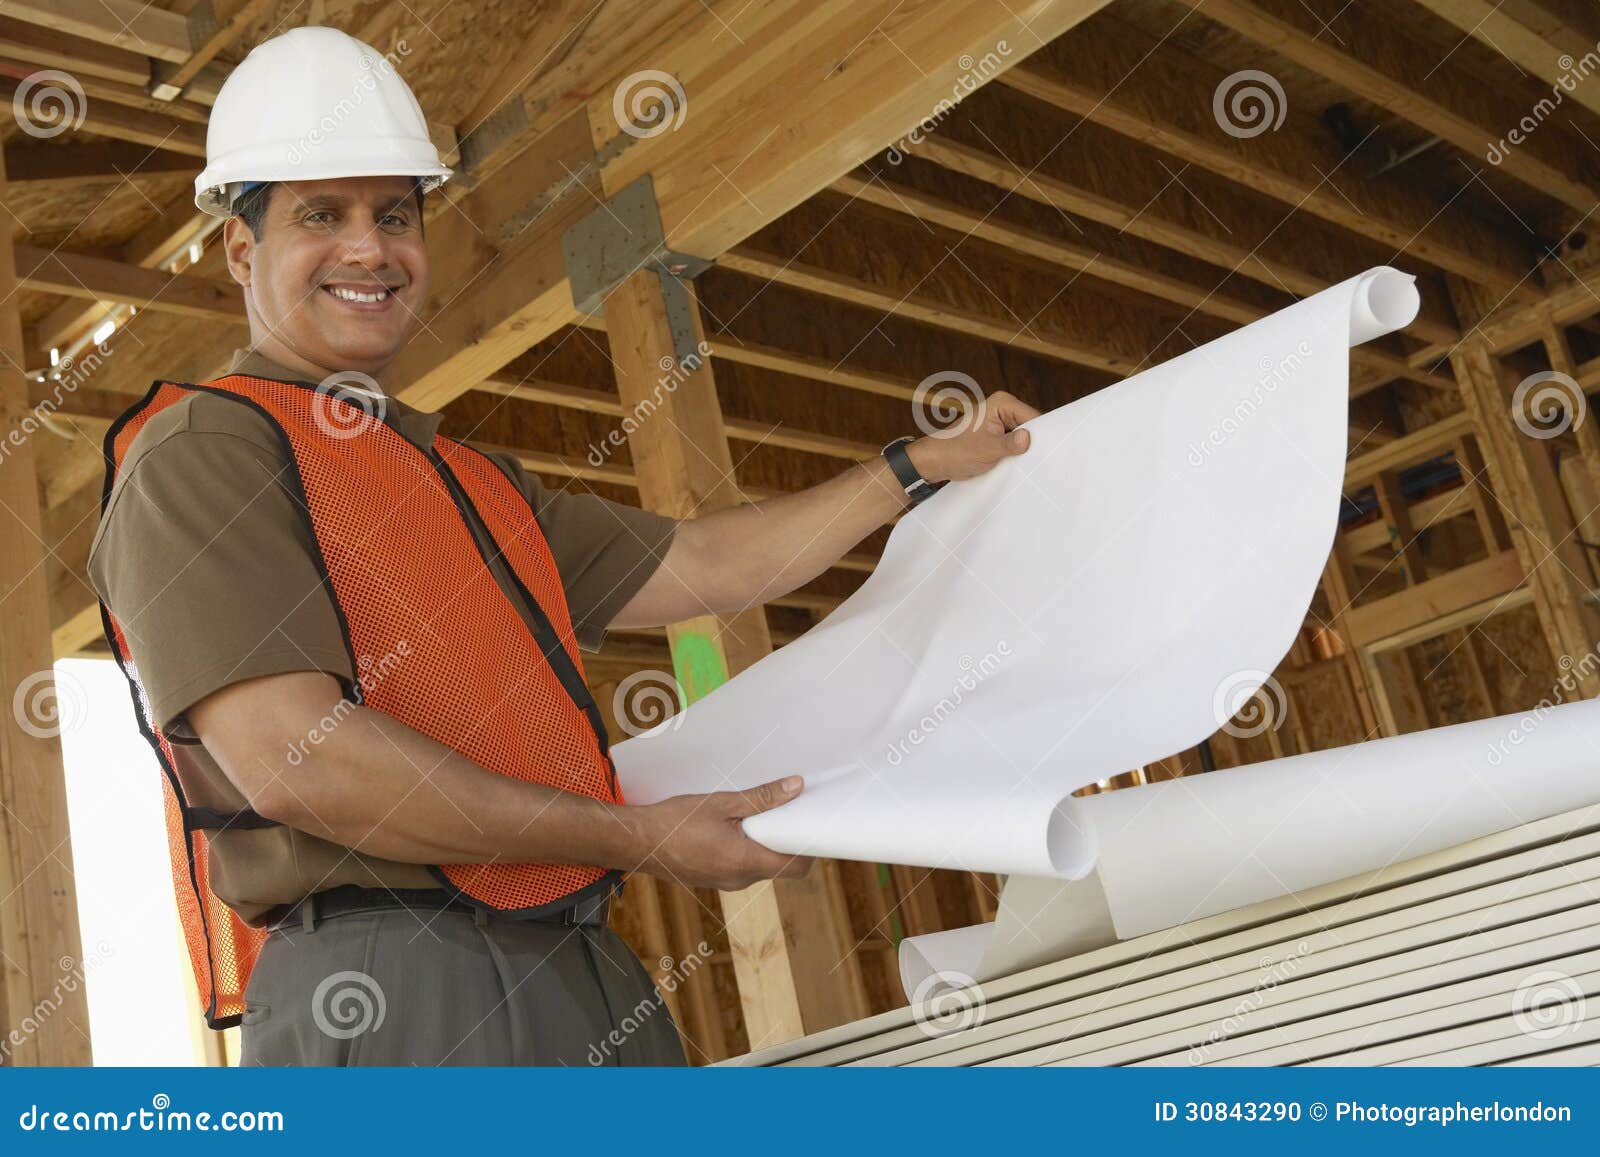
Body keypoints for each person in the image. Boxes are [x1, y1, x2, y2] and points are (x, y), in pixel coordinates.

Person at [89, 25, 1040, 1066]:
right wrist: (641, 836)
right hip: (397, 982)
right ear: (241, 249)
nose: (370, 248)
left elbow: (709, 566)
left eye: (394, 214)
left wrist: (909, 470)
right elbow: (297, 761)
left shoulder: (471, 484)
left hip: (580, 959)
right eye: (323, 213)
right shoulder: (206, 449)